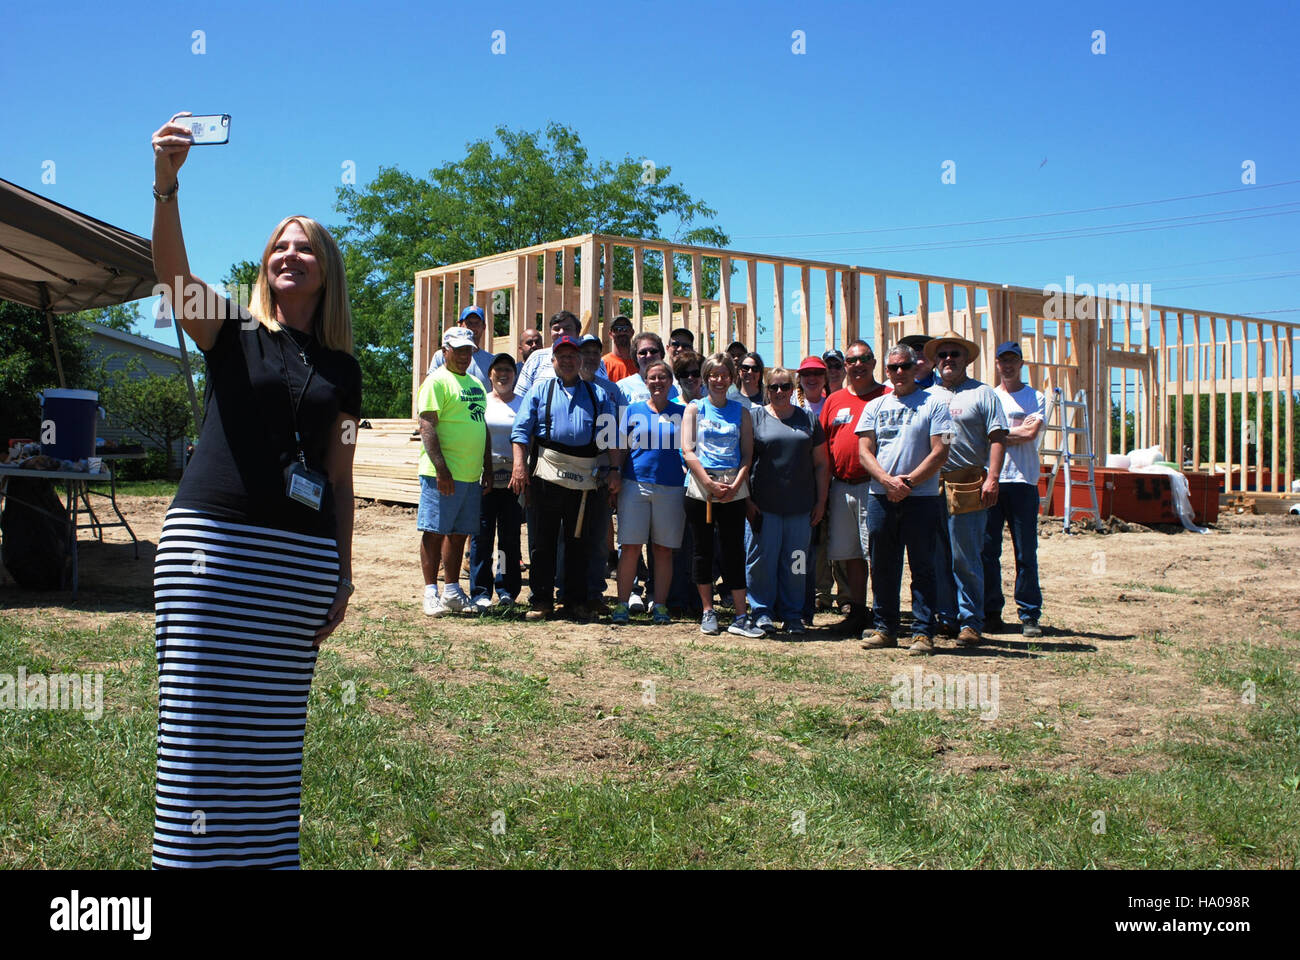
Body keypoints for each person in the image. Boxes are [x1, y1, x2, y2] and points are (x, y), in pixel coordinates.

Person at [149, 113, 361, 869]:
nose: (291, 253)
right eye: (280, 244)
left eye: (306, 245)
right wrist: (167, 187)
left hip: (295, 571)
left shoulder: (344, 370)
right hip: (213, 556)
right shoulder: (234, 332)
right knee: (201, 736)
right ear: (265, 264)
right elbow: (173, 281)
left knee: (270, 745)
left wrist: (343, 571)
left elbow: (339, 478)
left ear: (326, 268)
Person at [511, 335, 622, 621]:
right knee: (542, 541)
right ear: (554, 361)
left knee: (579, 542)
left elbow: (611, 437)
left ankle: (575, 601)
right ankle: (541, 601)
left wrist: (614, 471)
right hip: (546, 474)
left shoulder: (598, 395)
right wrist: (519, 467)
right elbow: (521, 432)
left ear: (581, 360)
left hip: (584, 479)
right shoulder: (540, 390)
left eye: (573, 356)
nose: (569, 361)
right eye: (563, 356)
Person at [856, 344, 953, 655]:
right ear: (886, 371)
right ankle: (885, 628)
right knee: (883, 565)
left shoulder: (936, 404)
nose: (900, 372)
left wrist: (908, 482)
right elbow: (864, 451)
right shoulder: (875, 406)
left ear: (917, 368)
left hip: (921, 498)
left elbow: (941, 451)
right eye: (894, 367)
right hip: (880, 497)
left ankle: (924, 632)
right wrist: (887, 481)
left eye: (905, 366)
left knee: (923, 565)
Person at [925, 330, 1008, 647]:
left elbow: (998, 437)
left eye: (954, 354)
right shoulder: (927, 396)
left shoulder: (982, 394)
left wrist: (993, 477)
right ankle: (946, 618)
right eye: (943, 354)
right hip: (932, 484)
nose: (948, 359)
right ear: (935, 361)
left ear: (966, 360)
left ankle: (971, 621)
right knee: (937, 556)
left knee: (966, 556)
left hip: (968, 481)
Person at [681, 353, 764, 638]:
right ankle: (708, 611)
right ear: (706, 378)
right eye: (713, 375)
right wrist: (708, 483)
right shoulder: (694, 409)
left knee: (733, 551)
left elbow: (747, 454)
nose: (719, 380)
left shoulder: (741, 412)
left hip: (733, 489)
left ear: (732, 378)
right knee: (702, 550)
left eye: (724, 375)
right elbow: (688, 450)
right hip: (701, 489)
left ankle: (741, 616)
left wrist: (737, 484)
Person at [744, 367, 829, 635]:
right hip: (764, 507)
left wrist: (821, 502)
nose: (780, 392)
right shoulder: (754, 417)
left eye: (785, 387)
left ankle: (793, 614)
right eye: (774, 387)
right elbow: (744, 462)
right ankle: (761, 611)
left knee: (796, 562)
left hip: (800, 508)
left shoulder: (808, 419)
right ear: (766, 389)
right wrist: (747, 501)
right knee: (761, 563)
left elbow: (822, 465)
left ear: (794, 390)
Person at [417, 326, 491, 617]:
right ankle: (430, 592)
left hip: (470, 475)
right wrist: (442, 469)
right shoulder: (436, 382)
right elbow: (427, 426)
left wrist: (487, 465)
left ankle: (451, 591)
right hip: (442, 474)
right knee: (435, 531)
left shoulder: (475, 384)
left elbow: (480, 426)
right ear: (445, 350)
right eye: (458, 350)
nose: (463, 356)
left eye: (468, 350)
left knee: (459, 533)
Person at [818, 340, 888, 634]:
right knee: (851, 554)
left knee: (878, 553)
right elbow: (822, 446)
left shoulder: (886, 396)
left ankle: (885, 613)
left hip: (874, 486)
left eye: (864, 359)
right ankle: (858, 612)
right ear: (844, 366)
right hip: (841, 486)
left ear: (873, 363)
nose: (857, 365)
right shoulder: (834, 400)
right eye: (851, 361)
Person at [612, 360, 685, 626]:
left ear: (670, 382)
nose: (657, 382)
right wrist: (615, 473)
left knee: (663, 549)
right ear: (646, 382)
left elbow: (691, 449)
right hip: (635, 484)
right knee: (630, 547)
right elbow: (619, 446)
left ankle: (660, 605)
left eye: (663, 378)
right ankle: (621, 604)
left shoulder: (683, 412)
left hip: (671, 487)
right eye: (652, 378)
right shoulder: (632, 411)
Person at [983, 341, 1046, 638]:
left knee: (1025, 552)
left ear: (1021, 364)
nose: (1007, 366)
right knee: (987, 550)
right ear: (996, 364)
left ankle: (1029, 614)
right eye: (1002, 361)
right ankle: (991, 612)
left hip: (1023, 482)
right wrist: (1011, 432)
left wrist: (998, 434)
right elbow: (984, 436)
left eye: (1013, 361)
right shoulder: (989, 397)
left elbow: (1030, 433)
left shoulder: (1036, 397)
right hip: (993, 480)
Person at [575, 334, 628, 610]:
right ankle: (569, 590)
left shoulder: (611, 390)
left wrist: (616, 469)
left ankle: (595, 592)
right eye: (586, 352)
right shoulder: (566, 386)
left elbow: (619, 432)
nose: (592, 357)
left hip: (601, 469)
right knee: (570, 534)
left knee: (597, 534)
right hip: (570, 469)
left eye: (596, 352)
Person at [469, 352, 525, 611]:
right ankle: (480, 591)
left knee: (509, 537)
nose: (503, 375)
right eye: (498, 370)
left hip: (513, 479)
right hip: (484, 477)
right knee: (481, 537)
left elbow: (528, 440)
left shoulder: (523, 404)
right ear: (490, 374)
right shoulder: (482, 403)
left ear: (515, 375)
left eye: (508, 370)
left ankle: (506, 589)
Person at [515, 310, 606, 395]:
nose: (561, 332)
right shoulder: (536, 358)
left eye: (567, 328)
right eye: (556, 329)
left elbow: (605, 392)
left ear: (578, 333)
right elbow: (520, 396)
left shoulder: (595, 361)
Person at [429, 305, 494, 391]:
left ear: (484, 327)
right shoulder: (442, 355)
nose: (473, 327)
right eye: (469, 323)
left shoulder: (491, 361)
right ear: (460, 325)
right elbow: (431, 386)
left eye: (477, 323)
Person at [618, 331, 679, 403]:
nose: (649, 355)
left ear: (661, 354)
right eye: (643, 352)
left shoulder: (675, 386)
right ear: (635, 357)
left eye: (653, 351)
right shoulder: (623, 387)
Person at [602, 315, 638, 383]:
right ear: (610, 334)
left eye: (625, 329)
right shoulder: (603, 364)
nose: (621, 332)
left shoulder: (640, 362)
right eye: (617, 329)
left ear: (632, 332)